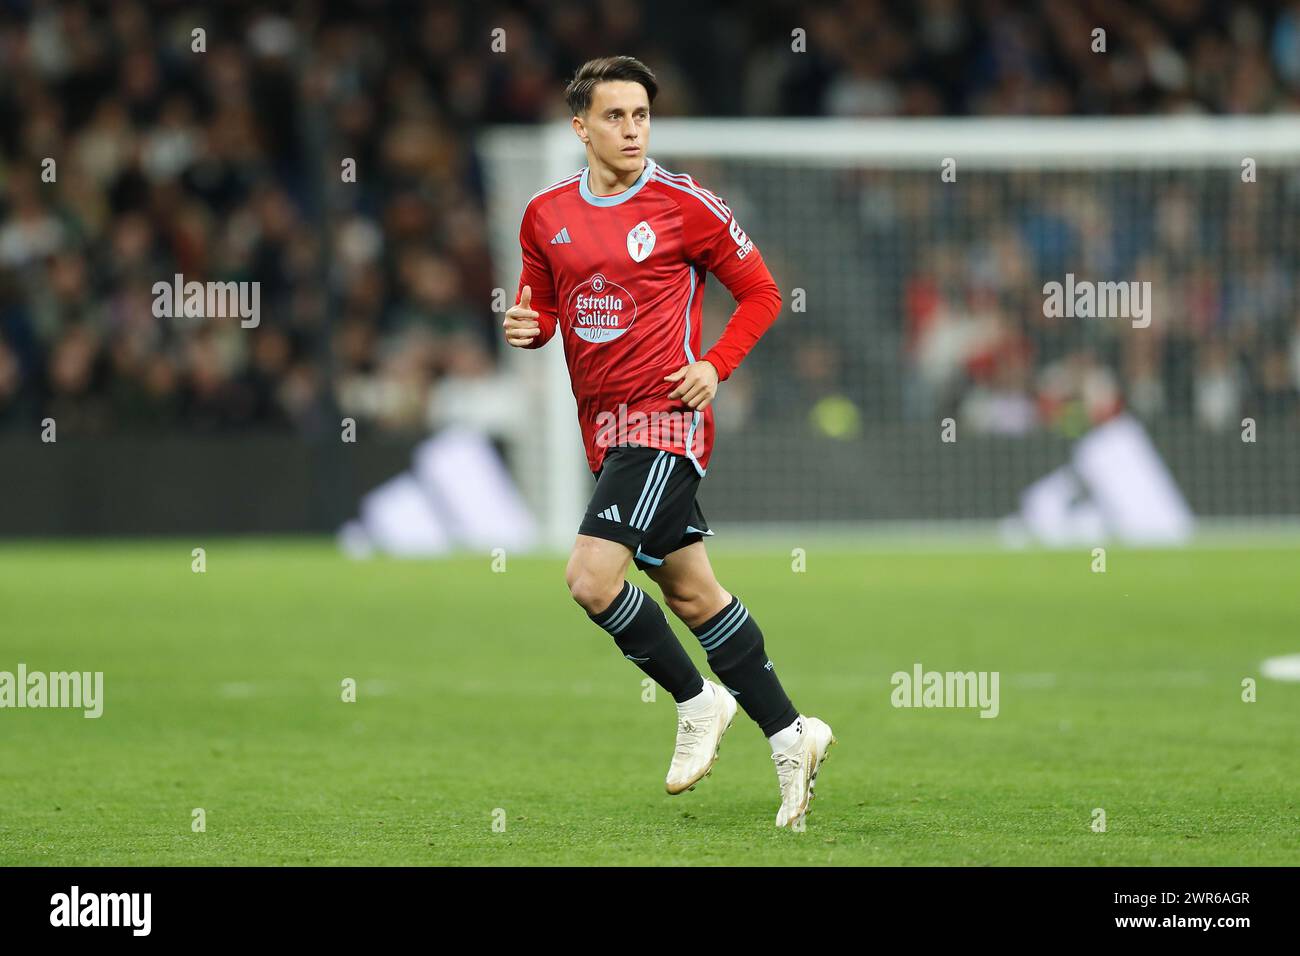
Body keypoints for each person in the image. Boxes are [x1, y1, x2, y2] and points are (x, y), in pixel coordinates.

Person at [504, 56, 835, 828]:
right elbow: (545, 308)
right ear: (580, 127)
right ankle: (793, 735)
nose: (632, 130)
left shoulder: (687, 205)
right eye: (614, 116)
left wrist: (714, 366)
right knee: (692, 594)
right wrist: (529, 327)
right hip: (604, 431)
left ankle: (696, 701)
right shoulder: (545, 214)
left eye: (641, 115)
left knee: (591, 579)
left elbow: (761, 292)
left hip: (663, 422)